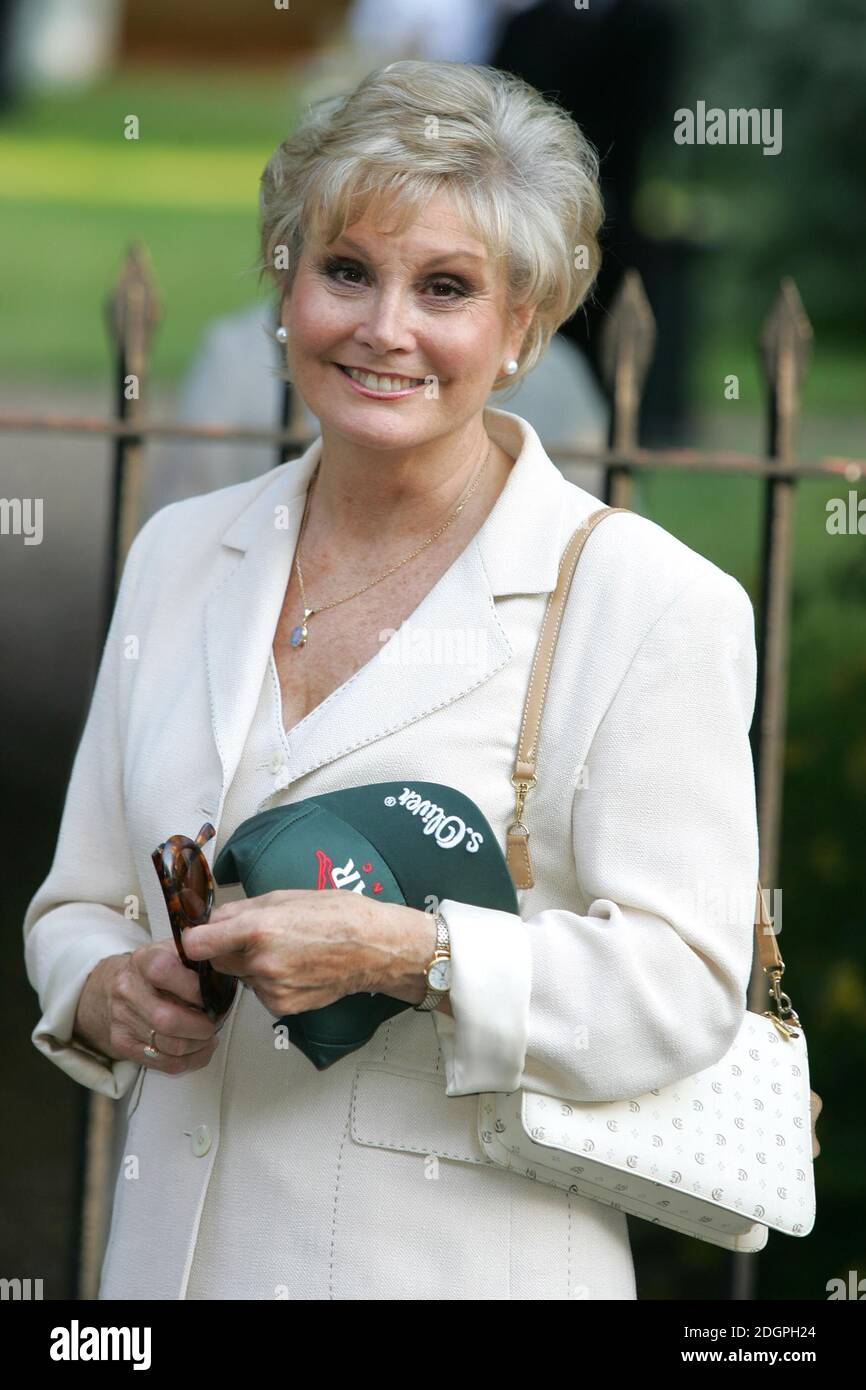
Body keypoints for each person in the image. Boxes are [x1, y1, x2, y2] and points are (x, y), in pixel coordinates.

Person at [22, 60, 759, 1301]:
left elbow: (683, 991)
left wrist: (407, 956)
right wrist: (100, 989)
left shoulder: (647, 602)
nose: (384, 328)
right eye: (346, 270)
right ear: (287, 283)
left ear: (522, 328)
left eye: (447, 289)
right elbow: (77, 899)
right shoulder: (180, 555)